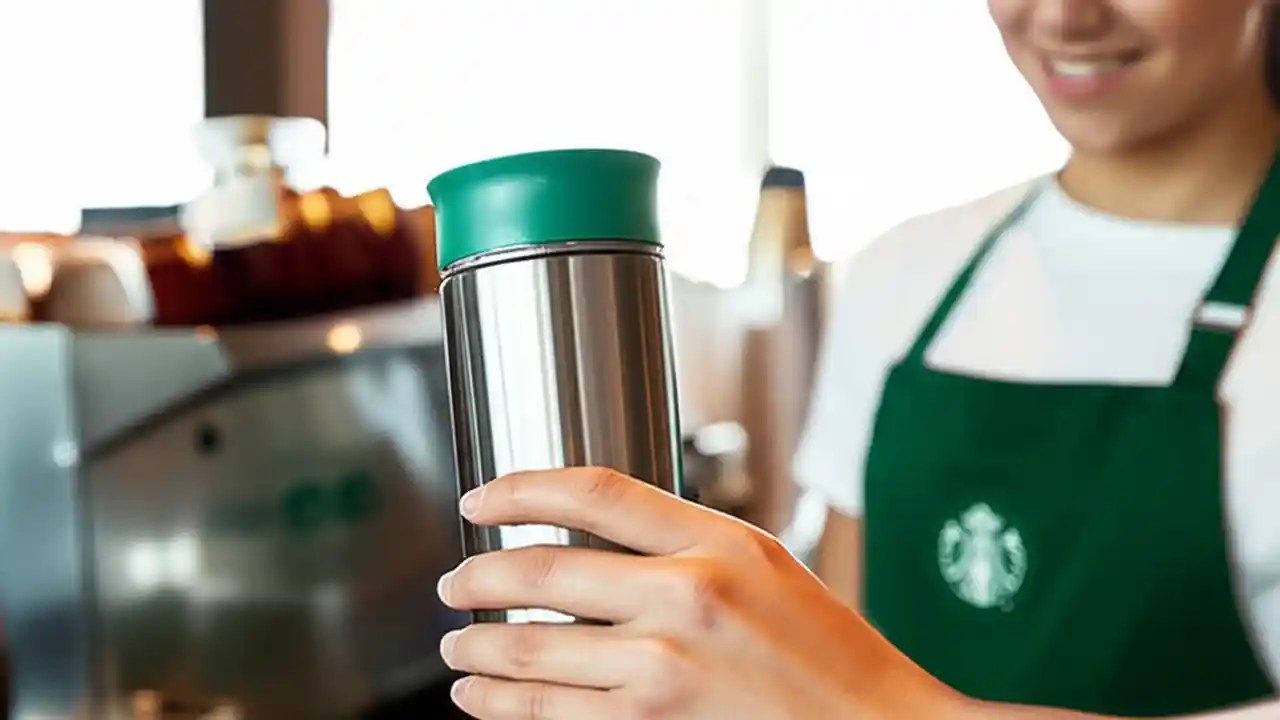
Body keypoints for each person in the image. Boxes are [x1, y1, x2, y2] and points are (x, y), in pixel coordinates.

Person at [433, 0, 1280, 718]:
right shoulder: (906, 274)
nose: (1064, 16)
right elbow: (839, 623)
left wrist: (884, 707)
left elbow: (843, 682)